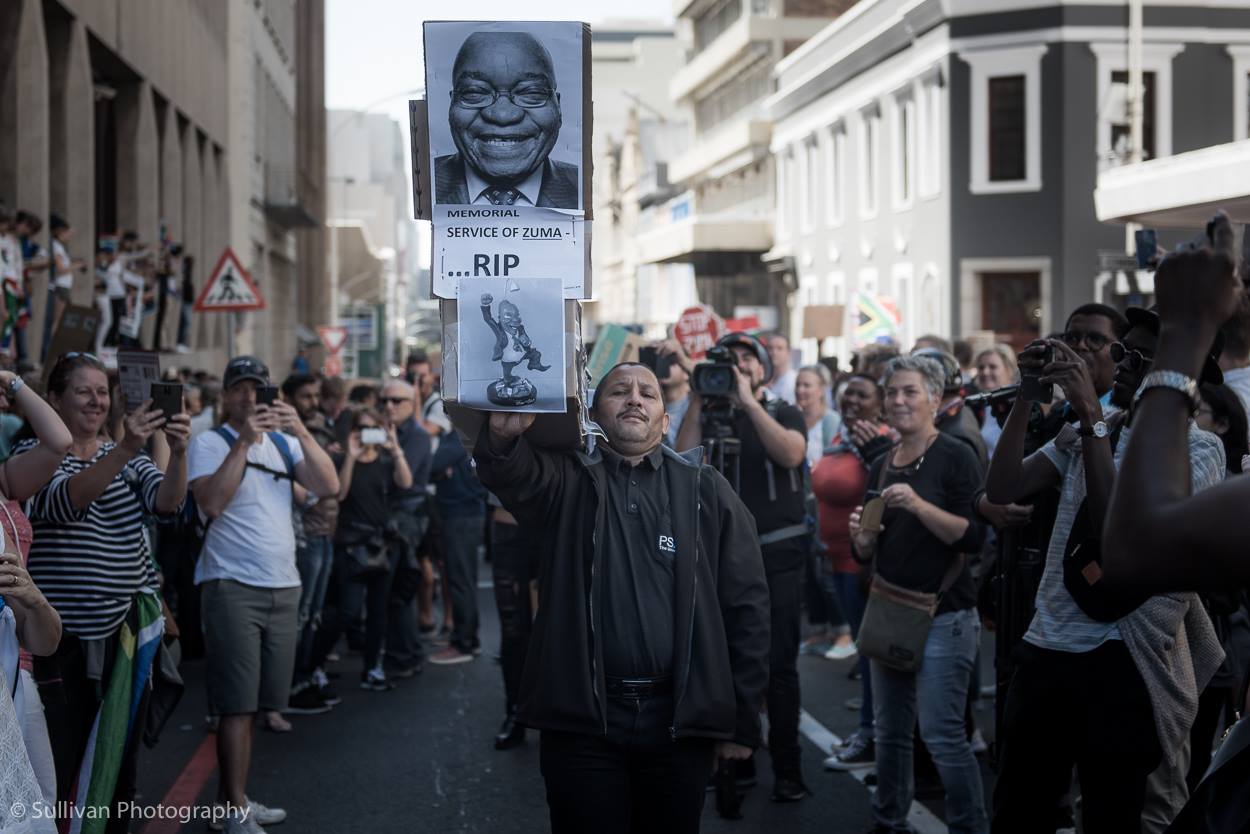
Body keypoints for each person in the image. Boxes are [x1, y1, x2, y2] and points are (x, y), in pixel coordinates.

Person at [473, 362, 770, 834]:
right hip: (584, 723)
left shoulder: (706, 489)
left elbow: (747, 608)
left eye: (648, 394)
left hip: (678, 723)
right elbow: (511, 474)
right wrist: (504, 437)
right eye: (619, 391)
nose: (634, 398)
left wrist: (743, 720)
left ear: (665, 421)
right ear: (593, 414)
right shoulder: (565, 480)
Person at [987, 308, 1226, 834]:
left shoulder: (1200, 448)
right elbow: (1002, 488)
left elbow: (1118, 532)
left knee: (1110, 818)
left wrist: (1093, 417)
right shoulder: (1095, 426)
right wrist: (1026, 395)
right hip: (1047, 646)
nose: (1124, 363)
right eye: (1122, 351)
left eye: (1142, 357)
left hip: (1123, 658)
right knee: (1017, 813)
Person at [25, 354, 188, 833]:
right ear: (54, 399)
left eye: (102, 392)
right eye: (84, 391)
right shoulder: (35, 453)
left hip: (123, 637)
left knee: (117, 763)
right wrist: (127, 446)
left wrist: (178, 452)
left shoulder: (131, 458)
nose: (97, 401)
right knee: (61, 761)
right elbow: (68, 500)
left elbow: (167, 503)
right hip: (60, 641)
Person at [187, 356, 338, 834]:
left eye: (259, 389)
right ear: (225, 396)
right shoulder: (210, 442)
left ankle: (229, 802)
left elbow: (329, 485)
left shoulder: (286, 443)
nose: (250, 398)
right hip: (232, 584)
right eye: (240, 389)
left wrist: (301, 431)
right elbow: (211, 503)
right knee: (236, 706)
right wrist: (245, 441)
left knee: (258, 704)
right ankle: (234, 811)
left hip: (283, 583)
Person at [849, 355, 988, 834]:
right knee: (890, 733)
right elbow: (866, 549)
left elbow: (973, 537)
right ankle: (888, 820)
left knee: (942, 736)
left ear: (934, 399)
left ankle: (969, 826)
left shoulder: (956, 455)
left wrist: (918, 504)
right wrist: (862, 538)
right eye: (892, 392)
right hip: (891, 609)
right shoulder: (882, 463)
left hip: (945, 615)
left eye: (910, 391)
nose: (899, 400)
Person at [675, 332, 813, 802]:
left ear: (762, 369)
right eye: (728, 360)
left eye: (747, 359)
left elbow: (792, 453)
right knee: (724, 659)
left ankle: (788, 766)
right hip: (720, 557)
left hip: (778, 551)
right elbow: (683, 463)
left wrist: (749, 403)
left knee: (778, 665)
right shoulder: (710, 412)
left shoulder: (781, 410)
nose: (737, 367)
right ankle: (739, 757)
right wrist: (699, 397)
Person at [814, 374, 893, 772]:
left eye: (863, 394)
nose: (852, 401)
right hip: (836, 558)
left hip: (860, 562)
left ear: (880, 403)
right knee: (864, 654)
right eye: (847, 394)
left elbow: (881, 495)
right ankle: (869, 730)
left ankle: (872, 736)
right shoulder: (842, 436)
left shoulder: (879, 441)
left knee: (869, 655)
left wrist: (868, 557)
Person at [436, 31, 579, 208]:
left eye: (531, 92)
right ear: (452, 104)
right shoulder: (422, 186)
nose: (502, 116)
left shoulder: (590, 192)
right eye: (474, 92)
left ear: (558, 108)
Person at [324, 408, 413, 689]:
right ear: (352, 431)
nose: (366, 434)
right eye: (361, 428)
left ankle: (372, 668)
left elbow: (406, 483)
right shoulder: (341, 459)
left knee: (378, 611)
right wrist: (351, 455)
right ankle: (313, 664)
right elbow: (339, 493)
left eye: (372, 428)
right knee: (347, 611)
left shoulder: (386, 461)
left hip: (382, 546)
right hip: (351, 546)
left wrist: (395, 449)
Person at [282, 374, 341, 714]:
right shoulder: (283, 434)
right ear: (288, 398)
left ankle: (304, 674)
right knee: (300, 614)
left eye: (316, 395)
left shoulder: (319, 426)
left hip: (325, 531)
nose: (314, 402)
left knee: (313, 614)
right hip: (303, 535)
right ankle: (291, 682)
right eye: (306, 396)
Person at [376, 379, 432, 678]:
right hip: (386, 517)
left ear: (412, 404)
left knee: (400, 590)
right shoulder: (380, 430)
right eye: (384, 401)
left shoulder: (418, 436)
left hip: (406, 520)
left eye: (396, 401)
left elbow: (403, 482)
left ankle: (405, 655)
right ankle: (402, 653)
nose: (389, 406)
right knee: (391, 592)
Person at [426, 420, 486, 666]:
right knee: (461, 579)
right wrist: (440, 472)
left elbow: (432, 465)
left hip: (461, 515)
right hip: (461, 514)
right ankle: (465, 638)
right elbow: (435, 469)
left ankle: (465, 642)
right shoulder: (458, 434)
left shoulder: (462, 433)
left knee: (461, 580)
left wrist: (440, 470)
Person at [487, 494, 542, 749]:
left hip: (559, 521)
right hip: (509, 522)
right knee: (513, 627)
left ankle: (562, 710)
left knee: (564, 625)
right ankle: (515, 712)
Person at [972, 345, 1018, 458]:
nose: (985, 372)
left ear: (1009, 370)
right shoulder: (981, 403)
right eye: (981, 367)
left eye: (993, 367)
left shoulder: (1018, 404)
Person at [795, 364, 842, 467]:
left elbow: (832, 460)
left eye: (806, 385)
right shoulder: (793, 417)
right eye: (797, 384)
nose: (799, 390)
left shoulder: (831, 420)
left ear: (822, 390)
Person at [656, 339, 692, 447]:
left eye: (671, 361)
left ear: (686, 373)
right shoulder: (646, 407)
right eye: (659, 361)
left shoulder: (698, 404)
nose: (664, 365)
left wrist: (683, 360)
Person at [766, 332, 798, 403]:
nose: (774, 352)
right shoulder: (765, 379)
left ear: (788, 352)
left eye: (779, 348)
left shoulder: (793, 381)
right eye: (770, 348)